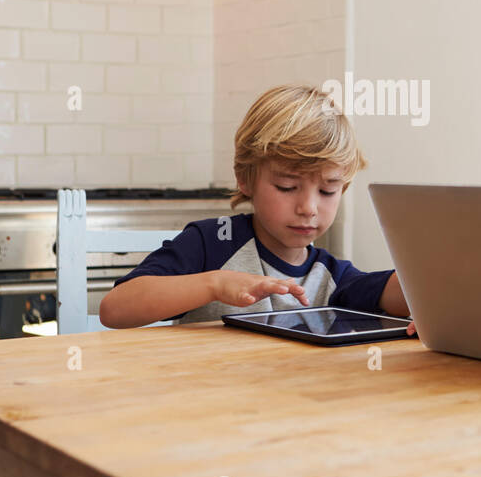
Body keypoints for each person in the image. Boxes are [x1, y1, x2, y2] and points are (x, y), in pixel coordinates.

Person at [100, 84, 410, 328]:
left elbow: (405, 293)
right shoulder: (212, 243)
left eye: (328, 191)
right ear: (245, 180)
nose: (308, 207)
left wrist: (428, 316)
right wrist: (215, 284)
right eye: (287, 187)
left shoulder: (333, 276)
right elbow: (115, 309)